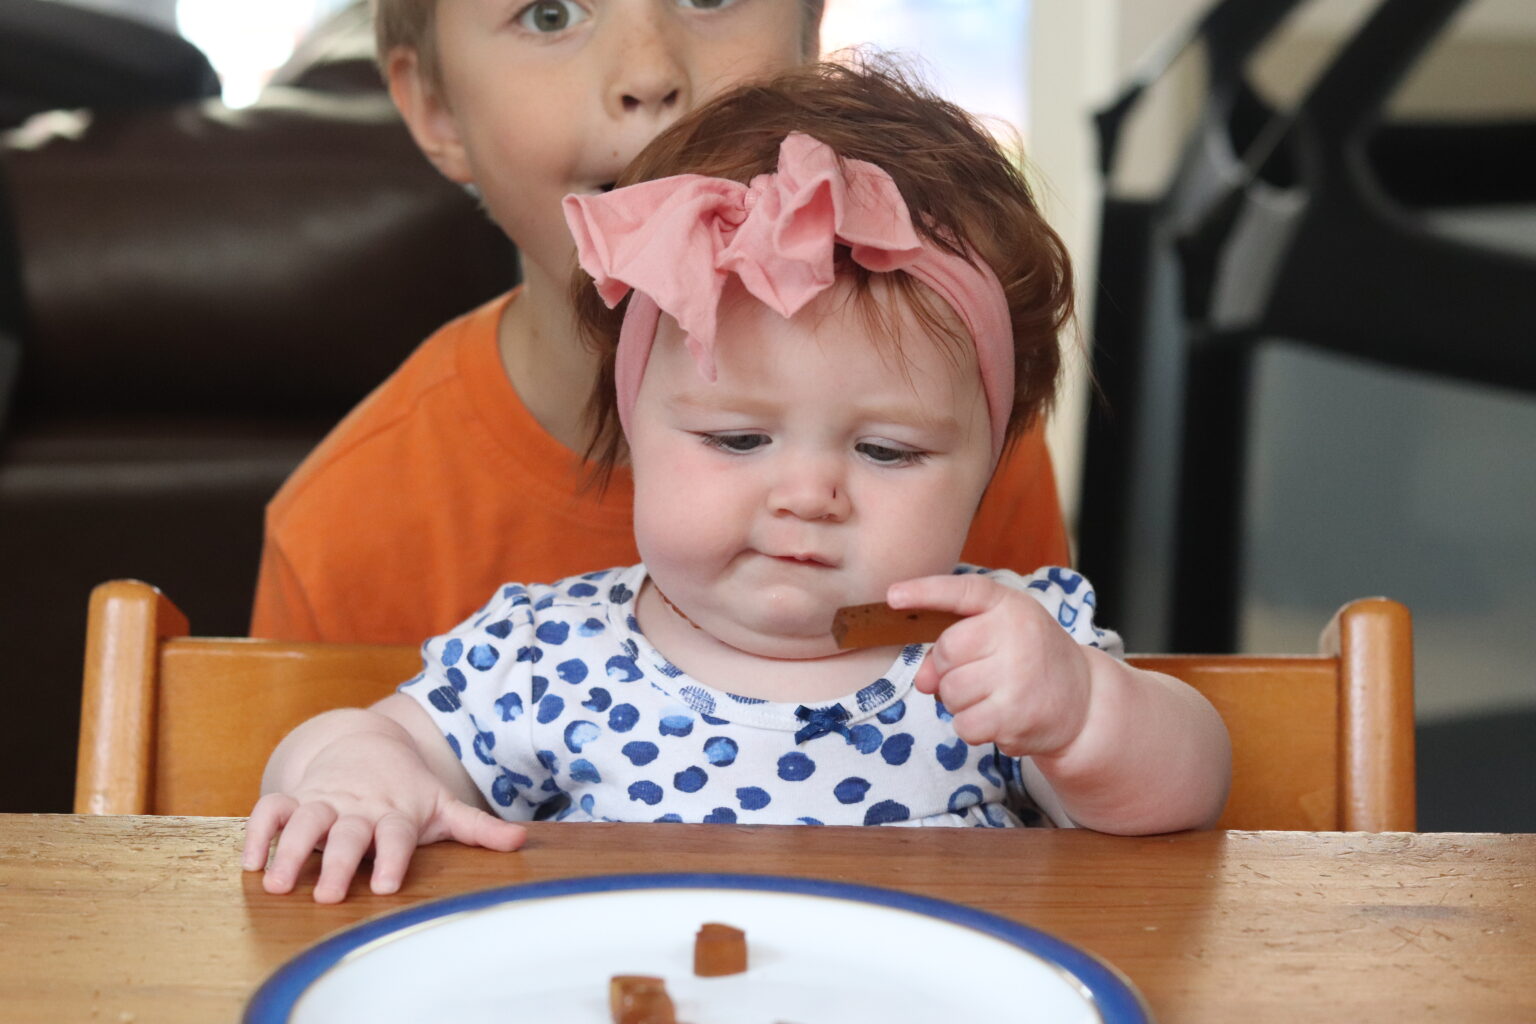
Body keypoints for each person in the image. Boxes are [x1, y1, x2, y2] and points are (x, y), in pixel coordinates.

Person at [243, 60, 1231, 904]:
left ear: (986, 466)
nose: (808, 494)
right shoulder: (548, 654)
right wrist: (356, 774)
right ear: (636, 428)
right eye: (739, 438)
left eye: (888, 452)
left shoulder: (994, 655)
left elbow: (1190, 785)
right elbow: (363, 741)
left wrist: (1084, 714)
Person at [248, 0, 1073, 646]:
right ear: (436, 108)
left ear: (809, 33)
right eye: (548, 12)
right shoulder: (344, 526)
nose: (648, 73)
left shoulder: (951, 439)